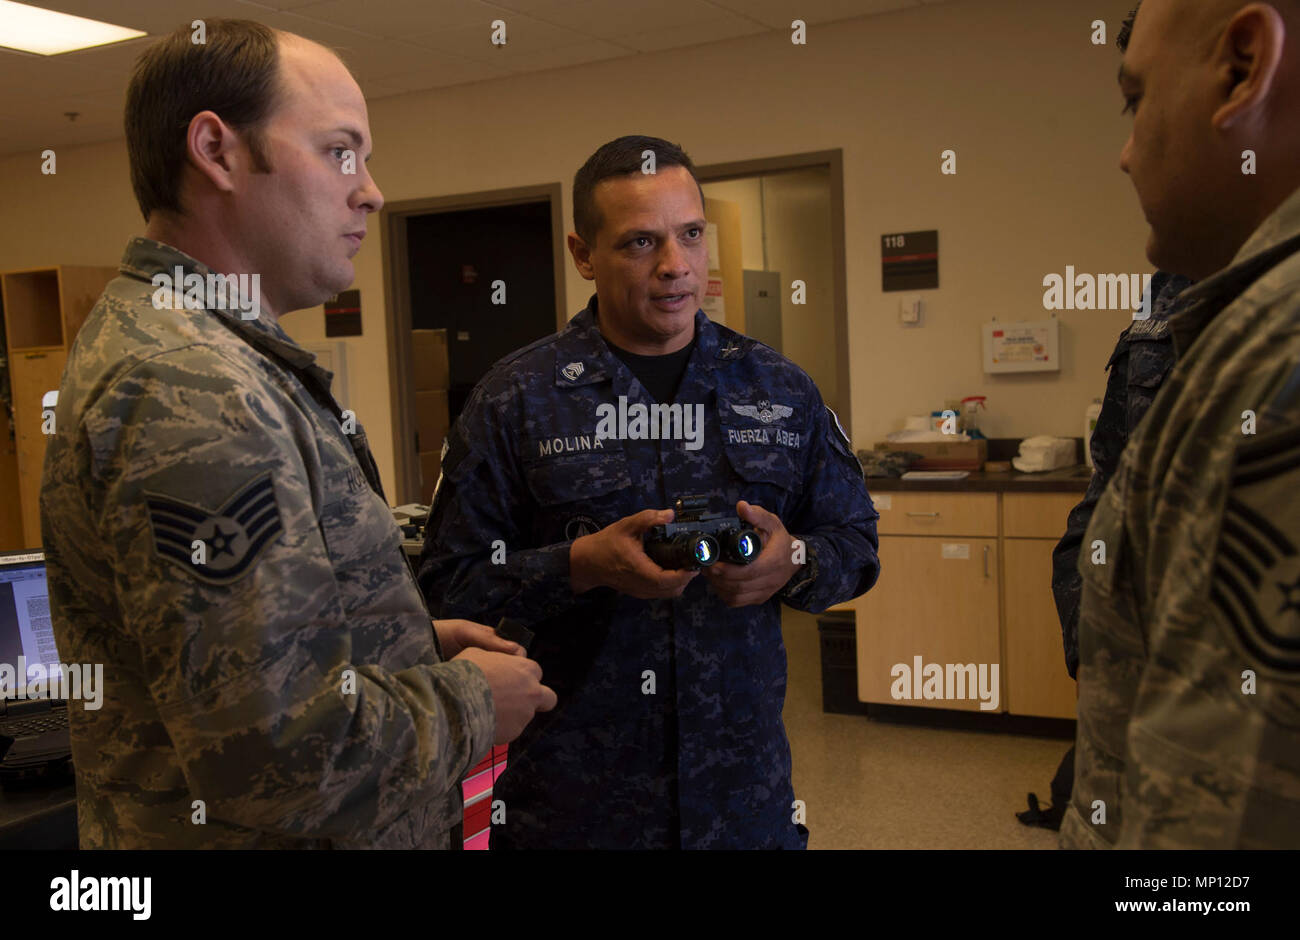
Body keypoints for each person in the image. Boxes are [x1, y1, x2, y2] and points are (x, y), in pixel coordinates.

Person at [39, 19, 554, 849]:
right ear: (217, 150)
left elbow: (259, 660)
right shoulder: (191, 384)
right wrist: (470, 702)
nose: (372, 191)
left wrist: (407, 642)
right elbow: (275, 757)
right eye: (341, 151)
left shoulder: (218, 353)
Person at [418, 135, 880, 849]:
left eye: (691, 235)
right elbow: (448, 584)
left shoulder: (779, 388)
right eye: (640, 242)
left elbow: (855, 542)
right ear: (583, 255)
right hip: (574, 807)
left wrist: (791, 563)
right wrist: (577, 566)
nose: (676, 266)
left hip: (742, 803)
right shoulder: (515, 400)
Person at [1061, 0, 1300, 848]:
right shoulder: (1214, 326)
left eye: (1136, 101)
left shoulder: (1278, 358)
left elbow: (1223, 837)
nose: (1126, 155)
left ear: (1243, 67)